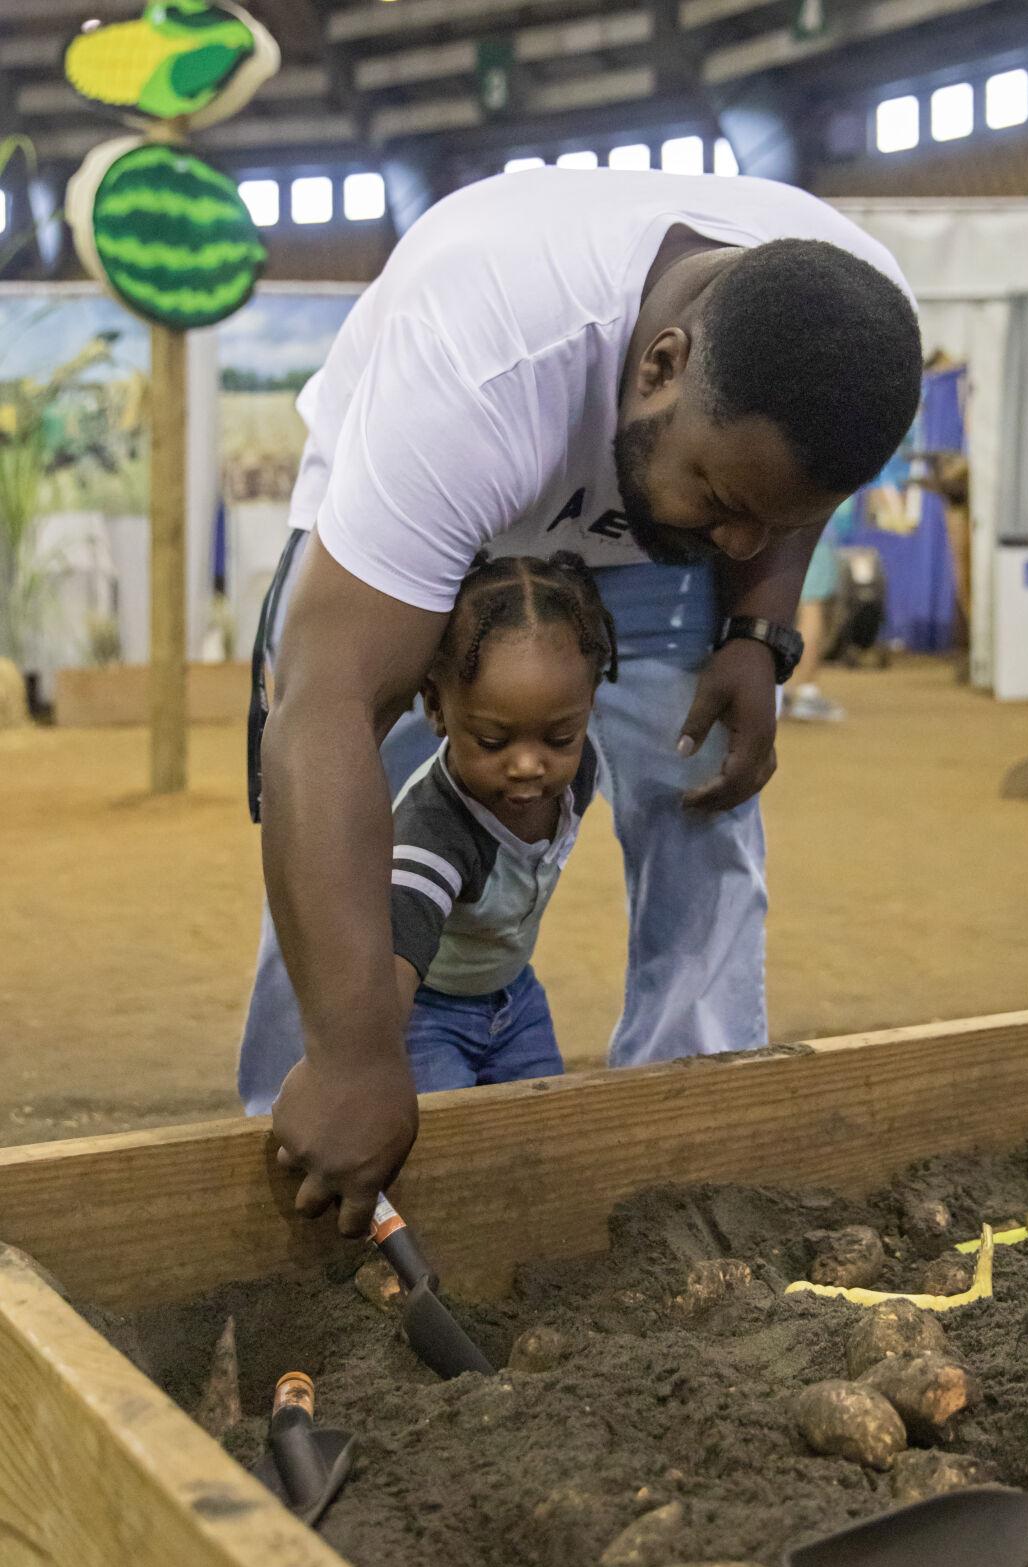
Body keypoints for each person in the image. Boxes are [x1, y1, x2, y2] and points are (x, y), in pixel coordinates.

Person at [248, 167, 922, 1237]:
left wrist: (756, 627)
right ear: (662, 363)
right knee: (340, 814)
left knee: (703, 800)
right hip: (451, 514)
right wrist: (355, 1052)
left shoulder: (851, 322)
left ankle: (689, 1160)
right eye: (726, 502)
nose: (744, 540)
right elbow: (324, 706)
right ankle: (302, 1138)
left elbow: (772, 499)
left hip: (644, 510)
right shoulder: (479, 358)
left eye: (771, 520)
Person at [390, 549, 614, 1092]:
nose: (528, 765)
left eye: (559, 737)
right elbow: (391, 958)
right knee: (440, 1151)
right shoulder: (432, 835)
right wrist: (364, 1066)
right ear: (436, 707)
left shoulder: (580, 773)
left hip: (517, 1000)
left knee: (540, 1136)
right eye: (493, 741)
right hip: (424, 1016)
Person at [783, 500, 854, 723]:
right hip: (815, 535)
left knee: (786, 610)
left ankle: (782, 691)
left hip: (783, 534)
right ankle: (805, 692)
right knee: (813, 610)